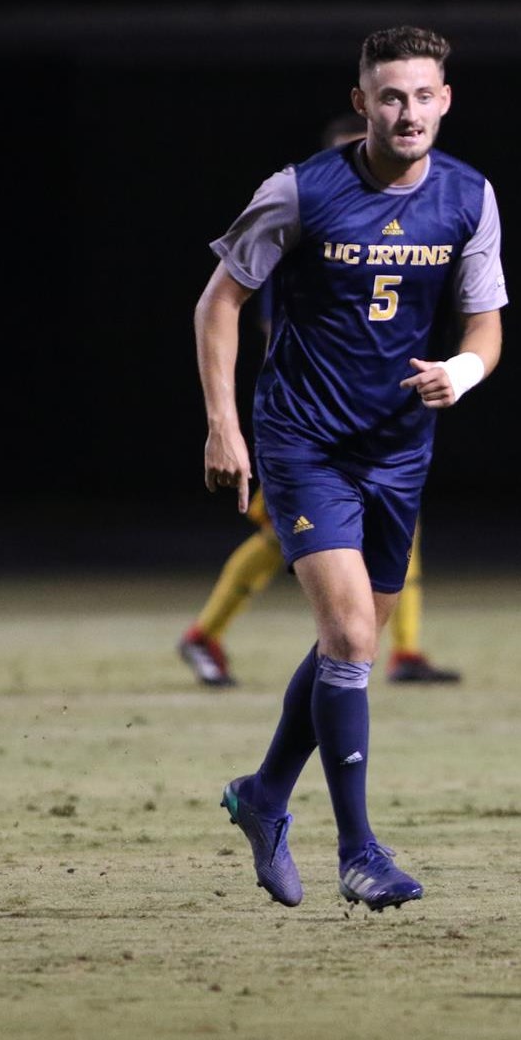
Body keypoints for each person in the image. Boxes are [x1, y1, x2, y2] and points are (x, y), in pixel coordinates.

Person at [196, 25, 506, 912]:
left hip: (399, 449)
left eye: (423, 96)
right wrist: (224, 426)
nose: (408, 112)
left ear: (445, 101)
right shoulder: (301, 191)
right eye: (391, 96)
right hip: (303, 440)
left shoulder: (470, 196)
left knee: (351, 641)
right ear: (361, 101)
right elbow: (219, 302)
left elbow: (485, 325)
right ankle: (359, 851)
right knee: (352, 639)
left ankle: (262, 796)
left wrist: (463, 371)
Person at [177, 114, 464, 690]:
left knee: (401, 533)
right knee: (282, 538)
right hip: (311, 431)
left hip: (386, 427)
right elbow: (251, 321)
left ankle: (404, 650)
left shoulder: (426, 225)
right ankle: (205, 634)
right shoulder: (307, 238)